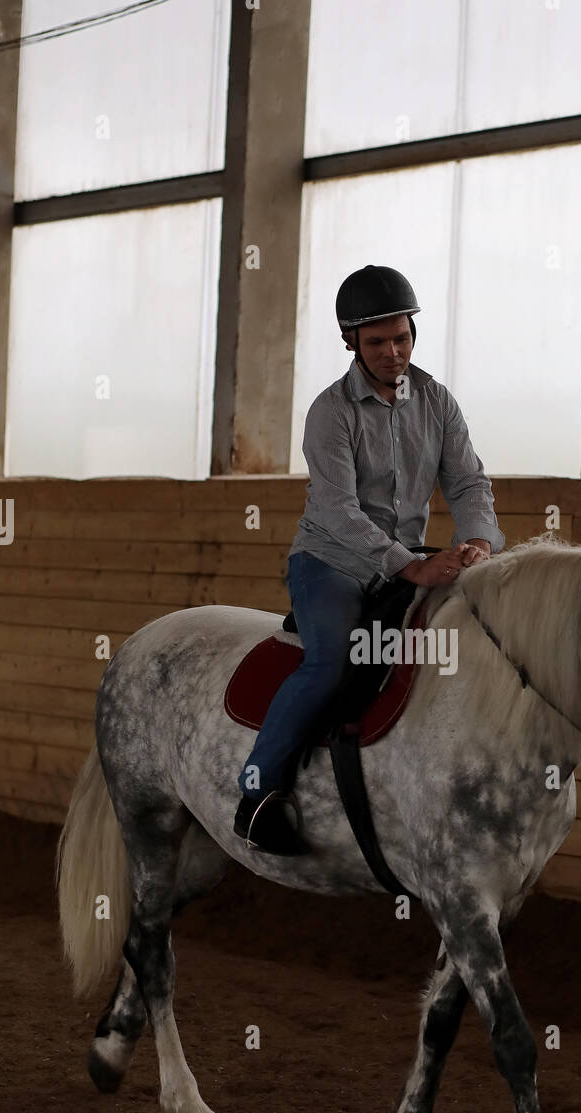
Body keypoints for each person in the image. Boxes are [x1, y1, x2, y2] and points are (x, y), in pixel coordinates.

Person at [234, 264, 505, 854]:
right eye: (377, 342)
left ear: (414, 334)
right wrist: (409, 566)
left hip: (412, 558)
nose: (392, 352)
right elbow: (336, 511)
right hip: (331, 562)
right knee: (330, 661)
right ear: (351, 342)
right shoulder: (330, 413)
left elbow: (467, 483)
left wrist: (480, 538)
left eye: (402, 338)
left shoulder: (438, 402)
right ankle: (257, 794)